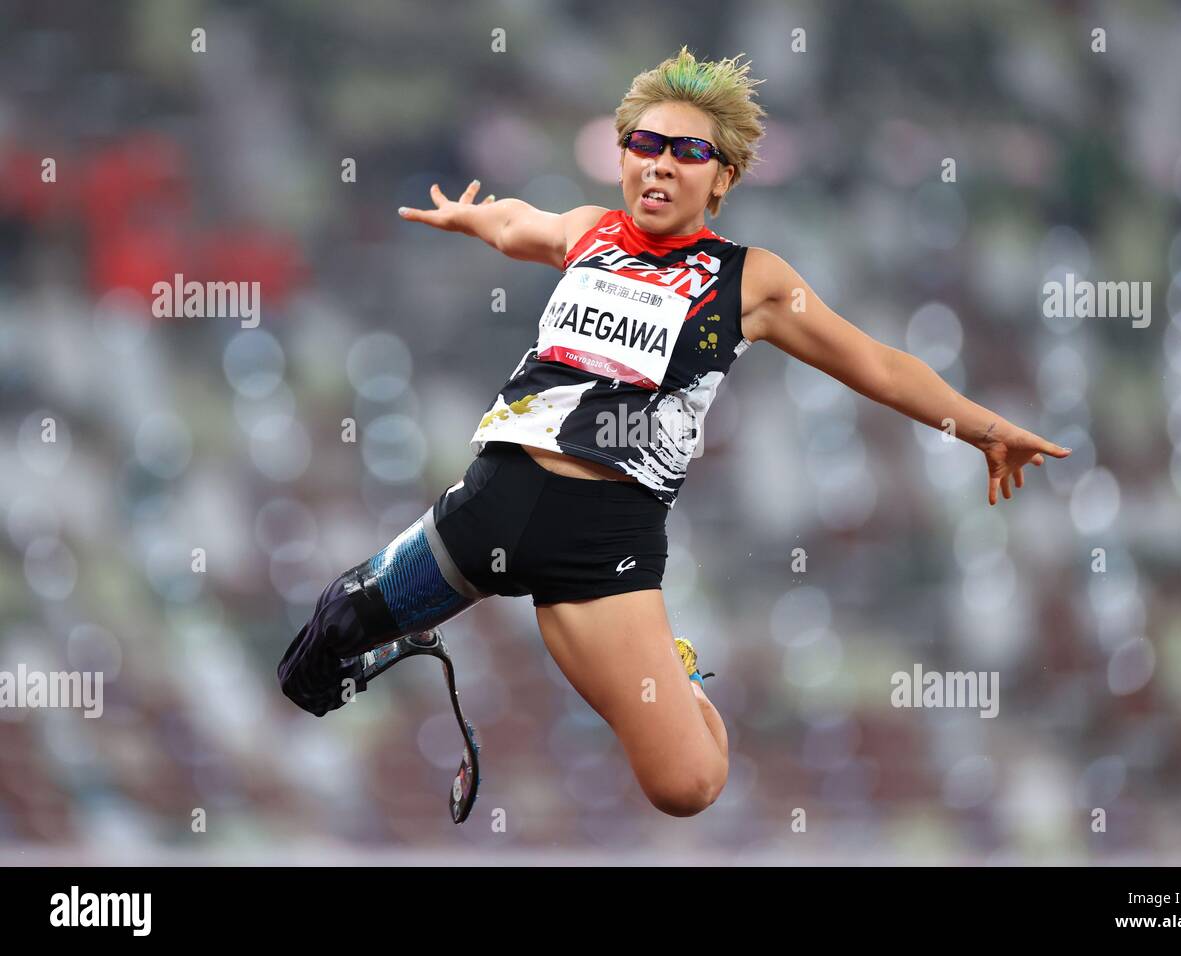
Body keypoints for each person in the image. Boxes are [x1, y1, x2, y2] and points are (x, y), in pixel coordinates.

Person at [278, 46, 1070, 818]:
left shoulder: (751, 280)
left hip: (603, 545)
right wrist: (474, 217)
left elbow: (877, 363)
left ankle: (674, 672)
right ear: (622, 159)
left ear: (721, 177)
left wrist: (983, 428)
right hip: (494, 500)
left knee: (687, 787)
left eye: (687, 151)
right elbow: (526, 224)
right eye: (644, 145)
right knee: (318, 650)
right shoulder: (590, 232)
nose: (659, 163)